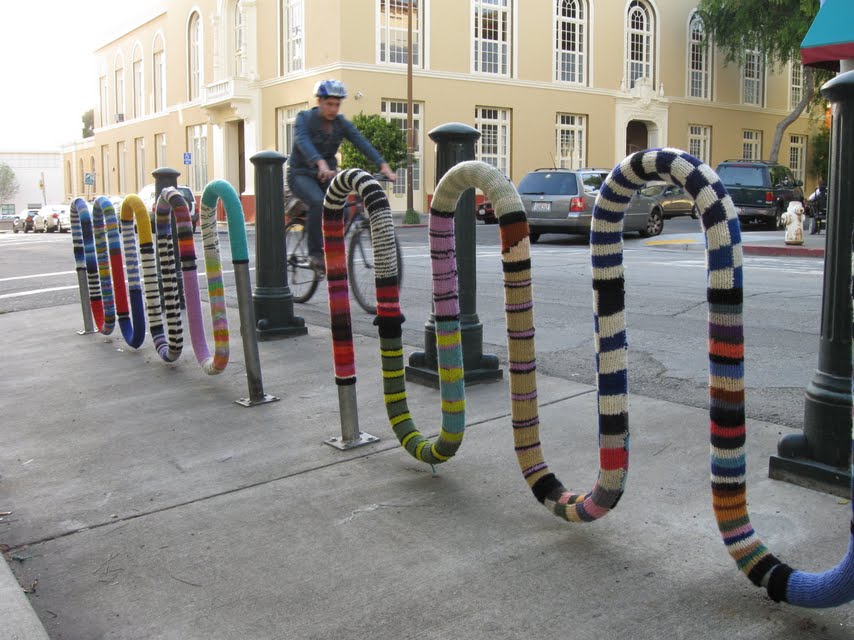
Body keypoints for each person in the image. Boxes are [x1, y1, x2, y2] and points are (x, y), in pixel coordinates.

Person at [287, 79, 397, 275]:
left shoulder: (340, 124)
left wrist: (383, 165)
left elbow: (361, 142)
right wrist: (319, 162)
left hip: (326, 174)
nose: (333, 109)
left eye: (337, 104)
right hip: (301, 174)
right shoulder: (305, 118)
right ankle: (315, 254)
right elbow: (303, 141)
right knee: (318, 202)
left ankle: (330, 249)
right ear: (319, 101)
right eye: (329, 104)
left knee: (343, 211)